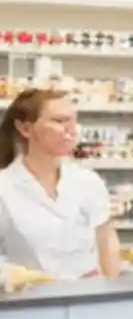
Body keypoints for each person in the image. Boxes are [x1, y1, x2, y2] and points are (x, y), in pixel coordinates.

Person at [0, 88, 121, 285]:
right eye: (59, 121)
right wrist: (14, 276)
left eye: (74, 120)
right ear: (25, 129)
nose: (72, 129)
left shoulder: (88, 182)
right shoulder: (4, 188)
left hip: (87, 304)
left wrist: (112, 295)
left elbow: (107, 244)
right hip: (28, 307)